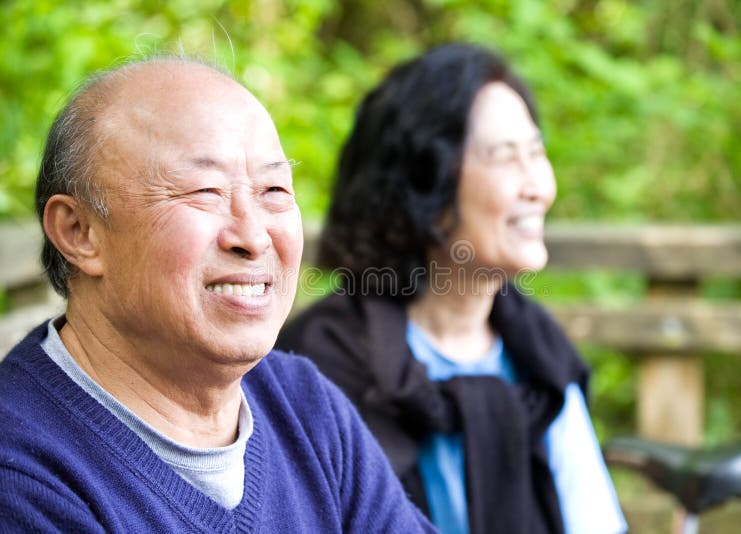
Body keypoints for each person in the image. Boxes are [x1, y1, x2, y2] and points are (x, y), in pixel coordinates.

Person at [0, 57, 436, 533]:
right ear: (80, 232)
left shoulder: (302, 405)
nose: (253, 235)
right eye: (204, 190)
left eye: (273, 189)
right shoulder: (24, 476)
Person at [277, 44, 627, 534]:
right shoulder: (321, 363)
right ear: (426, 185)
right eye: (506, 158)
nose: (538, 186)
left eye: (537, 152)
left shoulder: (538, 352)